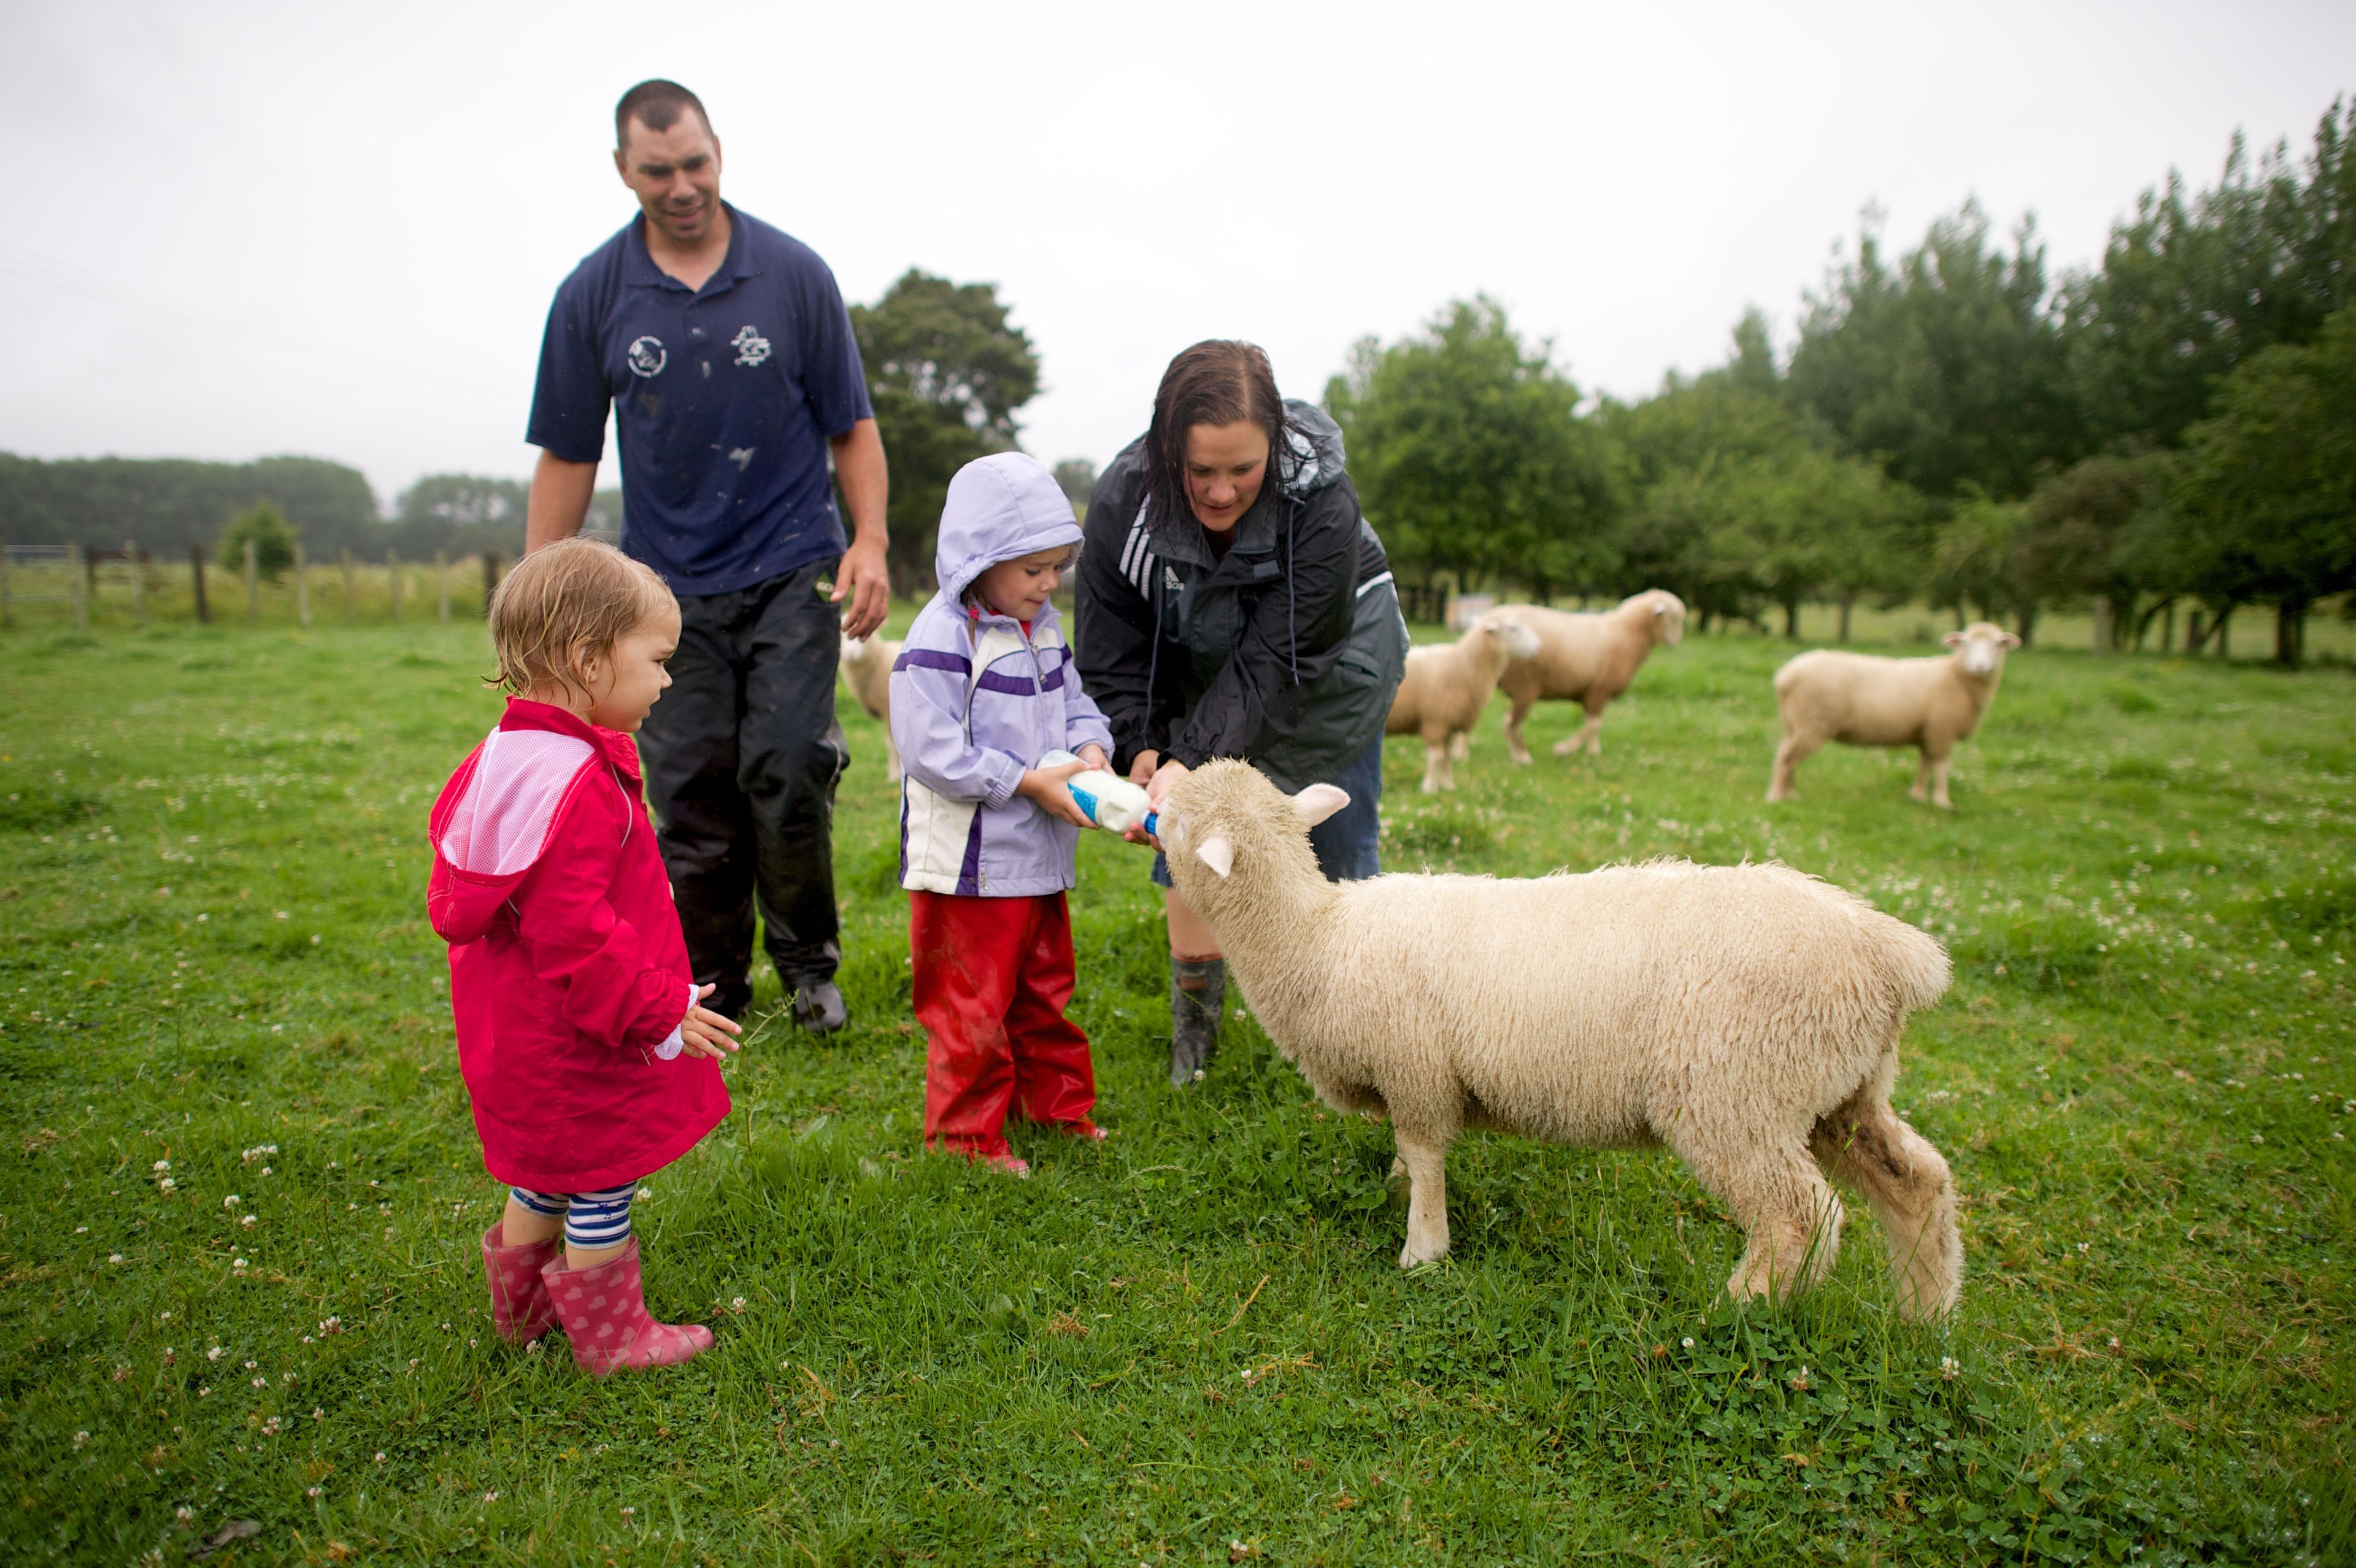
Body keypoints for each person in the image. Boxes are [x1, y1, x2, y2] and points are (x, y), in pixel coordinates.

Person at [523, 79, 888, 1035]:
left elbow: (852, 426)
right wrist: (540, 600)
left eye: (695, 163)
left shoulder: (794, 275)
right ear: (623, 171)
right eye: (657, 171)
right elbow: (568, 452)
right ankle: (713, 986)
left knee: (789, 766)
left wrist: (874, 539)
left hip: (792, 563)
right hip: (664, 594)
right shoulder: (594, 294)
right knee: (690, 787)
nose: (681, 186)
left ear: (718, 151)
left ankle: (811, 969)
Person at [428, 538, 745, 1376]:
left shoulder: (497, 760)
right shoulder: (575, 781)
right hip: (576, 1042)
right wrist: (658, 1009)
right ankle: (614, 1338)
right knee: (600, 1179)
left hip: (512, 1038)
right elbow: (576, 934)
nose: (668, 679)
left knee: (542, 1173)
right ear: (588, 660)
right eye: (657, 659)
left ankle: (523, 1316)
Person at [1075, 340, 1407, 1086]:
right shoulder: (1122, 501)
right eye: (1201, 472)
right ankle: (1195, 1035)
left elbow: (1280, 660)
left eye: (1243, 469)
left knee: (1332, 835)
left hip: (1331, 667)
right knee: (1187, 836)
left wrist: (1197, 758)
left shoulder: (1321, 503)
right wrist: (1148, 751)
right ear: (1167, 451)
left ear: (1275, 446)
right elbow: (1116, 648)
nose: (1222, 492)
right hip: (1204, 656)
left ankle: (1361, 1039)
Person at [892, 453, 1117, 1176]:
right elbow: (931, 749)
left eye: (1058, 567)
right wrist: (1024, 780)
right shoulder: (941, 637)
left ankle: (1053, 1111)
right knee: (972, 1007)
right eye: (1033, 570)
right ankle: (963, 1142)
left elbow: (1075, 700)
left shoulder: (1043, 627)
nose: (1050, 583)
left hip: (1039, 857)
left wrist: (1090, 744)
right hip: (971, 867)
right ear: (979, 559)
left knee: (1044, 990)